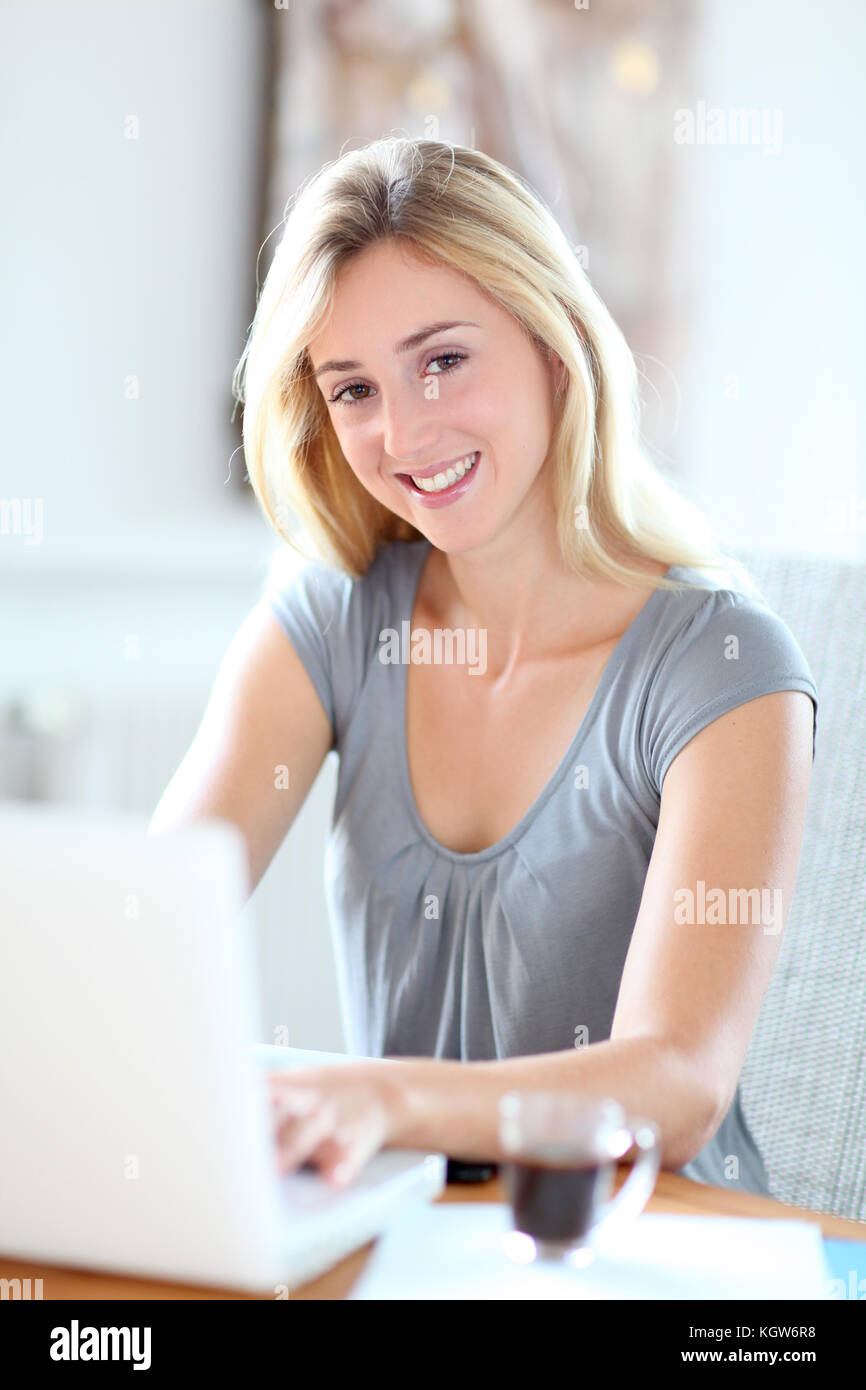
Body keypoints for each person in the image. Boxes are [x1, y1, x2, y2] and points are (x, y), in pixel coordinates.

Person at [150, 138, 817, 1197]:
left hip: (654, 1254)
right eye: (353, 389)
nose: (402, 432)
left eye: (442, 360)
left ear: (552, 345)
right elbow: (151, 917)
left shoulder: (723, 667)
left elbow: (678, 1080)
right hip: (411, 1241)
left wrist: (383, 1098)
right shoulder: (331, 613)